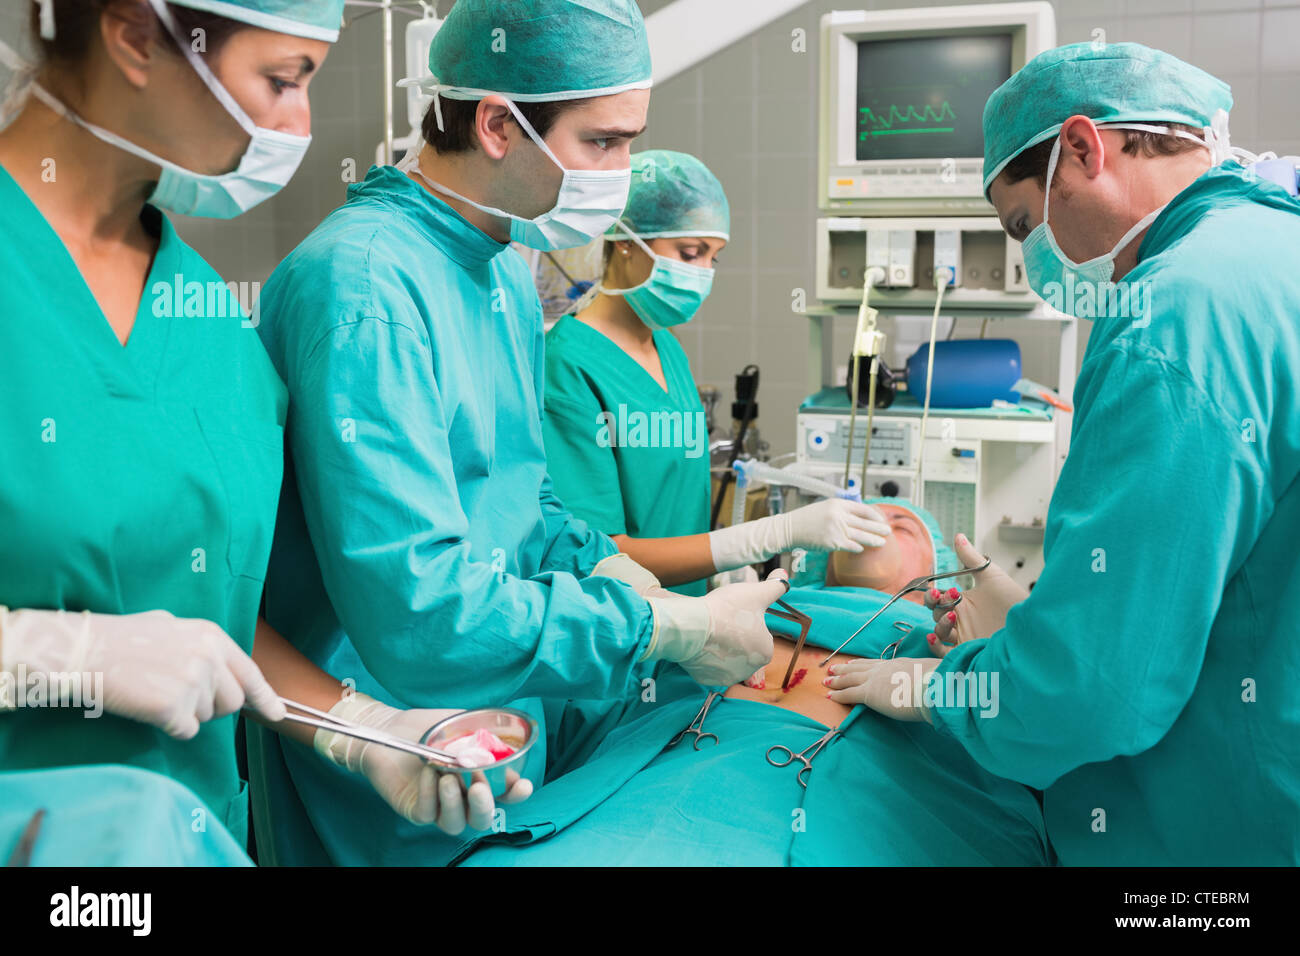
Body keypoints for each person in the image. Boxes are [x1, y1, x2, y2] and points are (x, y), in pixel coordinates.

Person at [249, 0, 789, 867]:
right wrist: (660, 632)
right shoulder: (364, 290)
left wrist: (613, 571)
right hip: (398, 747)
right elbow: (421, 613)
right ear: (499, 124)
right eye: (603, 143)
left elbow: (520, 497)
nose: (621, 171)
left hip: (504, 720)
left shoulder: (503, 265)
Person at [0, 0, 508, 865]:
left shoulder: (218, 335)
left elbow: (212, 620)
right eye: (281, 79)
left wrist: (365, 729)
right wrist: (46, 654)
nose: (298, 125)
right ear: (134, 33)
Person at [826, 42, 1300, 865]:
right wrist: (1046, 621)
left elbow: (1099, 693)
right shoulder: (1269, 254)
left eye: (1023, 225)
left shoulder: (1169, 319)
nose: (1030, 255)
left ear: (1084, 149)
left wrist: (954, 688)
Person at [456, 497, 1048, 866]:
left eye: (903, 521)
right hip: (660, 793)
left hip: (871, 811)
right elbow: (588, 702)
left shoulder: (964, 642)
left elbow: (1066, 737)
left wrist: (996, 665)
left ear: (937, 568)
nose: (882, 516)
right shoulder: (727, 612)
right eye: (867, 507)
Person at [544, 149, 892, 597]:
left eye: (714, 258)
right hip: (622, 632)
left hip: (686, 626)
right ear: (625, 238)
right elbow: (598, 556)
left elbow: (674, 500)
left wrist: (713, 575)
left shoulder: (665, 344)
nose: (704, 273)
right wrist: (763, 537)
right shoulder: (568, 366)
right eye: (690, 253)